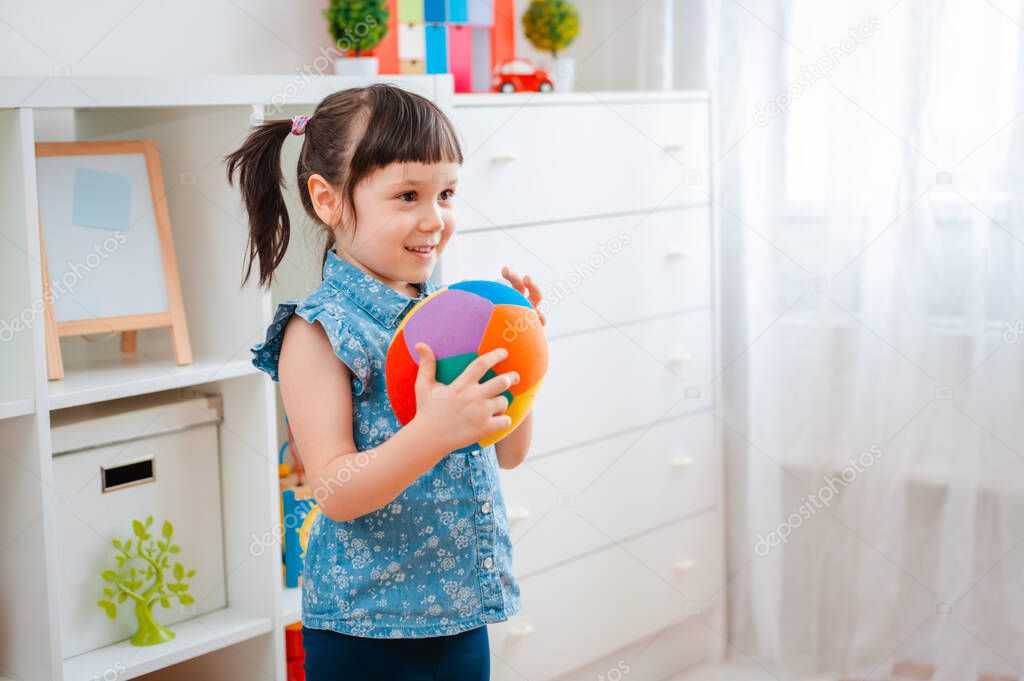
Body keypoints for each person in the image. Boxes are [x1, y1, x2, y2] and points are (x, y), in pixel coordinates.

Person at [225, 83, 546, 681]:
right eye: (407, 195)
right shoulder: (318, 331)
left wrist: (518, 362)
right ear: (328, 200)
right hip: (366, 627)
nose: (435, 219)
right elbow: (335, 490)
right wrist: (432, 433)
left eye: (446, 193)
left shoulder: (451, 316)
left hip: (462, 613)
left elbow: (508, 453)